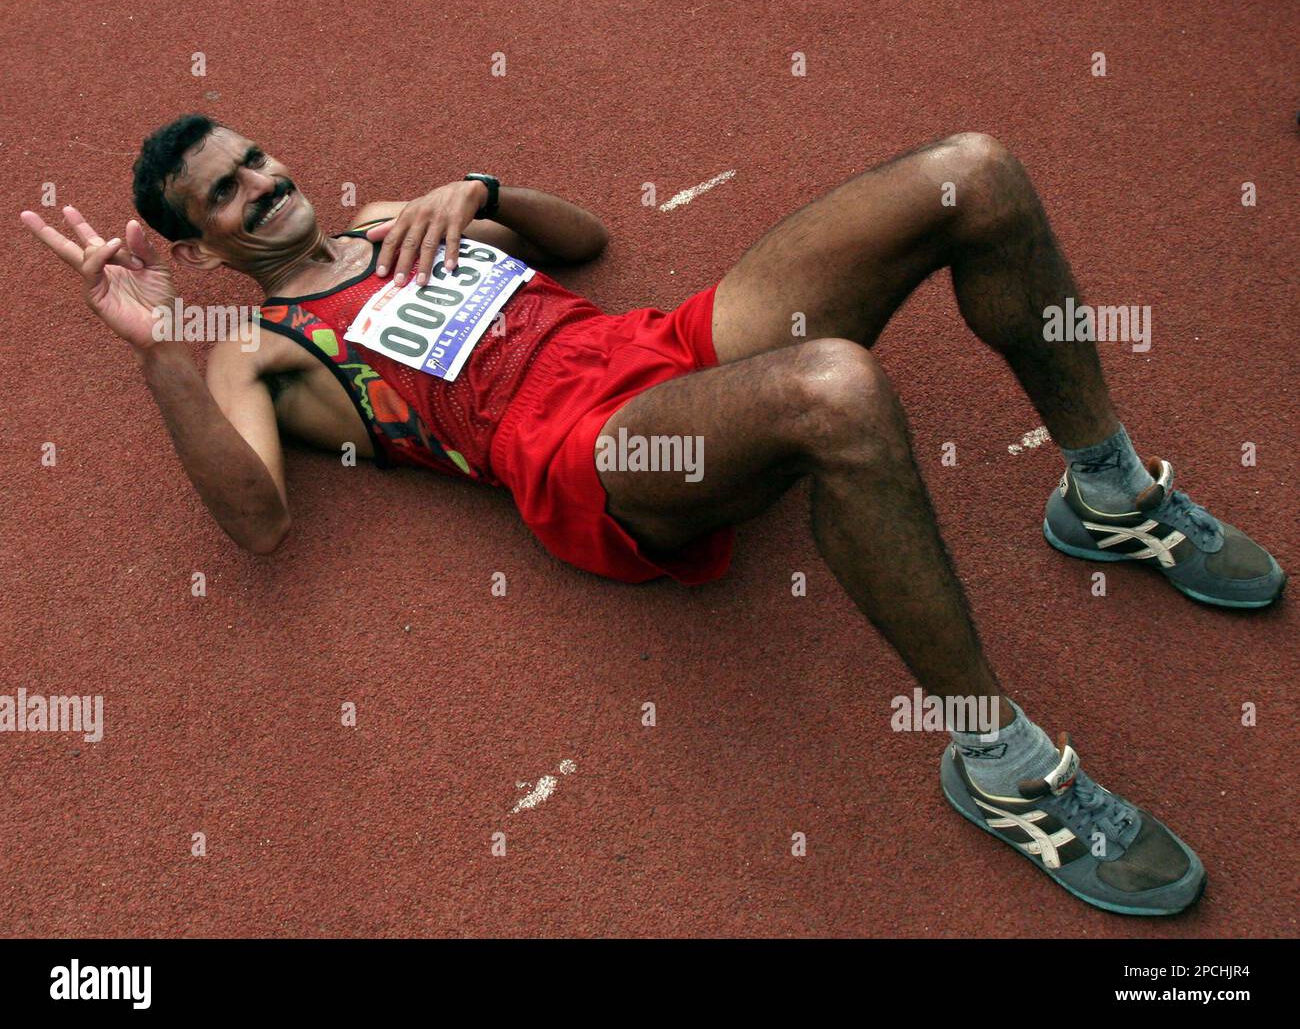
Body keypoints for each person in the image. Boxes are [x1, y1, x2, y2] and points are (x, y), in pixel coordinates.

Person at [23, 114, 1285, 916]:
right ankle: (1000, 762)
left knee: (972, 175)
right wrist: (153, 355)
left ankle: (1108, 491)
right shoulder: (256, 345)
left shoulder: (384, 222)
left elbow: (590, 240)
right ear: (198, 248)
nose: (260, 185)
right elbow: (255, 523)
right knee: (838, 392)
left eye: (252, 160)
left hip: (657, 344)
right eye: (227, 197)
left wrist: (479, 184)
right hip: (579, 450)